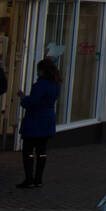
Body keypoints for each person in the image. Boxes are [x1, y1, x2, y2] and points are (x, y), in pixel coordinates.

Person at [17, 59, 62, 189]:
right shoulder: (55, 85)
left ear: (42, 70)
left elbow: (32, 102)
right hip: (47, 120)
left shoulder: (40, 85)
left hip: (35, 121)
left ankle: (29, 179)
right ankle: (38, 179)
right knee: (42, 151)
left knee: (29, 151)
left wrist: (23, 98)